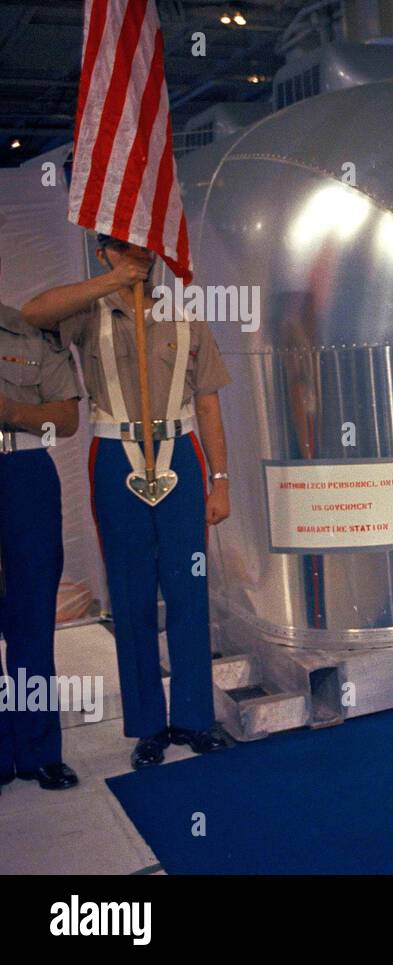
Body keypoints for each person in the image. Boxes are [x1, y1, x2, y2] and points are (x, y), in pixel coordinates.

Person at [22, 234, 234, 769]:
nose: (138, 255)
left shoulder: (187, 318)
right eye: (122, 247)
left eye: (144, 246)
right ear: (101, 253)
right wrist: (112, 282)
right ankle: (148, 725)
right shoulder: (85, 314)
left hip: (181, 455)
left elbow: (207, 404)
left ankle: (193, 717)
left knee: (188, 590)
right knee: (131, 593)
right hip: (115, 457)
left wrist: (222, 478)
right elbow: (32, 313)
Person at [0, 300, 81, 794]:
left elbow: (66, 419)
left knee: (31, 615)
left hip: (25, 474)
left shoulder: (29, 332)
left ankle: (39, 751)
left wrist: (11, 411)